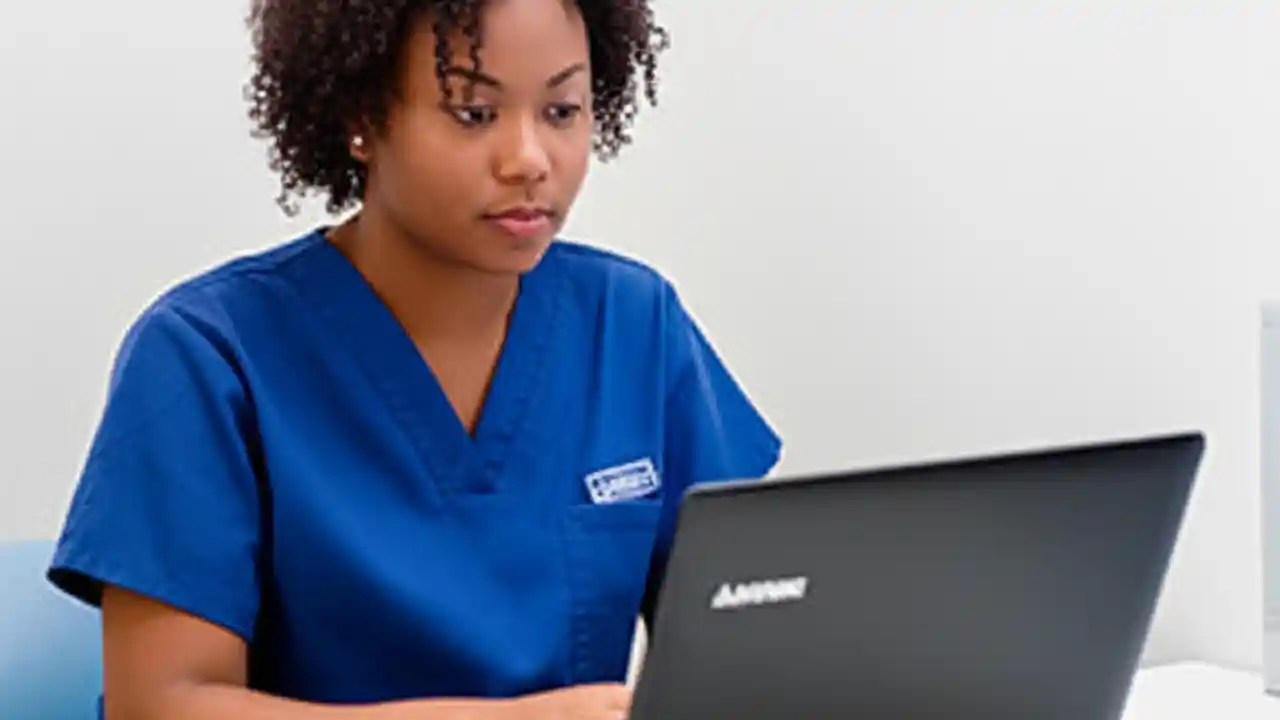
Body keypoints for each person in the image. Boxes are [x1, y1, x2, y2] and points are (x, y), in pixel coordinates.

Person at [46, 0, 782, 717]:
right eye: (474, 113)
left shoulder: (634, 325)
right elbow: (164, 704)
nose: (529, 159)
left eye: (561, 112)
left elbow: (750, 636)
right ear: (361, 116)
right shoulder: (209, 355)